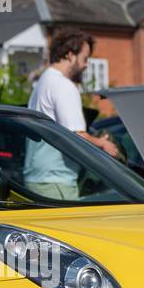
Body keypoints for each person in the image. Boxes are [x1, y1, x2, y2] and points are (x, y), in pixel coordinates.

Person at [25, 28, 120, 199]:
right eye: (85, 59)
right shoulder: (64, 86)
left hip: (38, 178)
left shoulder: (43, 81)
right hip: (56, 183)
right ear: (70, 55)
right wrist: (103, 143)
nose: (86, 65)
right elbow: (76, 135)